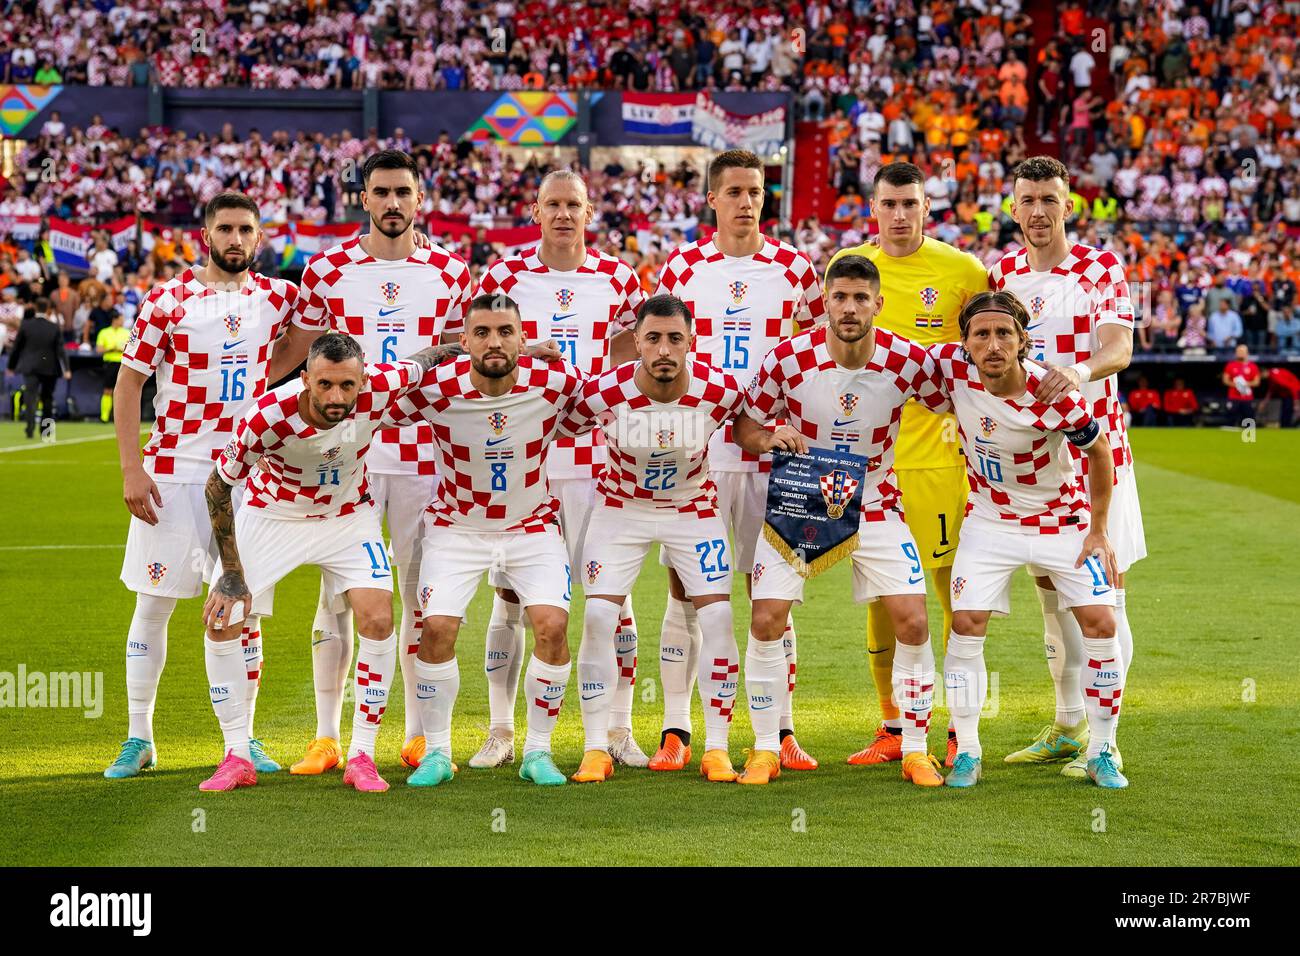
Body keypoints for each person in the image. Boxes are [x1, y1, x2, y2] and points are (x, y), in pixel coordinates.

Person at [102, 191, 320, 781]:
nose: (235, 239)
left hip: (247, 476)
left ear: (259, 237)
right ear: (205, 234)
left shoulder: (277, 296)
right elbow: (129, 386)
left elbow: (302, 346)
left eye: (246, 230)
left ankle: (243, 742)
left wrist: (259, 379)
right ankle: (138, 736)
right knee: (154, 605)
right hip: (172, 474)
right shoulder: (167, 298)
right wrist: (130, 467)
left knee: (242, 611)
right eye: (225, 228)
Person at [199, 333, 459, 793]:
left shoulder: (381, 386)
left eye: (347, 385)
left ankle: (361, 754)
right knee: (223, 619)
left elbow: (427, 357)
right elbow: (218, 487)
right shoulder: (267, 417)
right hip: (274, 514)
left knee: (379, 618)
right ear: (304, 379)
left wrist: (507, 348)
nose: (336, 397)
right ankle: (236, 753)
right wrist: (233, 575)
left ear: (362, 379)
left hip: (347, 516)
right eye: (324, 385)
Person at [735, 256, 949, 786]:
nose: (849, 308)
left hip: (875, 497)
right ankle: (766, 748)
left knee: (914, 620)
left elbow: (957, 396)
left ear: (879, 303)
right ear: (824, 302)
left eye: (860, 298)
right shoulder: (787, 358)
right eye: (839, 297)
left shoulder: (907, 360)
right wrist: (768, 438)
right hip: (804, 493)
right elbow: (746, 425)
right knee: (766, 619)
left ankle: (916, 749)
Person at [292, 150, 472, 776]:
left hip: (427, 454)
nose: (392, 203)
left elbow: (464, 358)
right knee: (337, 594)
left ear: (420, 198)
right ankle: (325, 735)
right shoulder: (326, 270)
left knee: (422, 595)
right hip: (348, 457)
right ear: (363, 198)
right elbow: (304, 363)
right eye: (381, 192)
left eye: (403, 192)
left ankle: (419, 733)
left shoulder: (452, 272)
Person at [652, 149, 826, 773]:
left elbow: (815, 354)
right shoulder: (683, 266)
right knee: (686, 588)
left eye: (755, 191)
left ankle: (779, 729)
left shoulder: (796, 269)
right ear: (711, 199)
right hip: (701, 449)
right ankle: (676, 729)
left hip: (777, 454)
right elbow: (659, 353)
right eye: (734, 192)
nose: (747, 201)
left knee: (774, 590)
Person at [473, 169, 648, 770]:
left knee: (613, 598)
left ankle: (619, 730)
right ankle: (501, 731)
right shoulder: (504, 276)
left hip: (600, 460)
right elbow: (482, 352)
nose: (565, 214)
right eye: (554, 204)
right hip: (528, 459)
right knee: (510, 596)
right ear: (535, 210)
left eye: (574, 204)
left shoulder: (619, 279)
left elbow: (630, 357)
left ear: (590, 210)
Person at [383, 294, 587, 788]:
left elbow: (608, 407)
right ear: (463, 341)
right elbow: (378, 399)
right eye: (482, 333)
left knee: (553, 628)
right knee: (435, 630)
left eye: (505, 332)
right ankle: (436, 753)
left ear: (523, 337)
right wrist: (439, 353)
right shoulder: (436, 389)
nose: (494, 341)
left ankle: (538, 752)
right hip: (457, 527)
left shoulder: (557, 385)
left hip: (532, 525)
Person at [928, 291, 1128, 790]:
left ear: (1022, 342)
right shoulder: (952, 370)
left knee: (1101, 623)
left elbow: (1100, 453)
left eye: (1003, 334)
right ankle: (968, 752)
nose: (992, 345)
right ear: (965, 342)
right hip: (991, 521)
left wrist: (1099, 531)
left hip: (1062, 521)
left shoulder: (1053, 392)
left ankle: (1103, 749)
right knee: (967, 621)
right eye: (981, 334)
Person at [826, 161, 990, 768]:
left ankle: (953, 727)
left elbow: (988, 349)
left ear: (927, 209)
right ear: (874, 208)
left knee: (949, 593)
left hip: (939, 461)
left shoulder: (963, 271)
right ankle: (892, 724)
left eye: (910, 205)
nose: (899, 215)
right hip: (861, 464)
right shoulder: (851, 270)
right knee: (878, 596)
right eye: (889, 204)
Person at [992, 155, 1145, 776]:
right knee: (1052, 596)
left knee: (1106, 599)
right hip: (1032, 466)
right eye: (1027, 200)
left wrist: (1078, 372)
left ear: (1067, 206)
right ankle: (1065, 724)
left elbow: (1120, 346)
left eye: (1049, 200)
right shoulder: (1000, 272)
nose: (1037, 211)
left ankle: (1105, 739)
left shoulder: (1098, 267)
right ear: (1013, 208)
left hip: (1094, 454)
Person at [563, 294, 748, 785]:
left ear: (692, 342)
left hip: (693, 509)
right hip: (620, 509)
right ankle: (596, 747)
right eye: (652, 338)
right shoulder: (602, 392)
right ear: (636, 342)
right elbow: (551, 421)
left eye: (674, 339)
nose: (663, 349)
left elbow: (748, 426)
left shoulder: (720, 388)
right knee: (600, 615)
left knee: (719, 616)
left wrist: (772, 436)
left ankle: (717, 748)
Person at [7, 298, 69, 439]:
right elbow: (61, 350)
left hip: (30, 367)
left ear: (35, 308)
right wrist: (67, 369)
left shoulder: (26, 325)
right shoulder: (53, 327)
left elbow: (17, 348)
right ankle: (46, 431)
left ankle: (29, 429)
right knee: (47, 399)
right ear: (48, 309)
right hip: (49, 367)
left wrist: (11, 366)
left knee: (30, 397)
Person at [95, 311, 132, 422]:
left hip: (123, 364)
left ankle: (121, 417)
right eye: (121, 319)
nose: (122, 321)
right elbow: (99, 349)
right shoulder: (104, 332)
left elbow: (132, 347)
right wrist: (111, 349)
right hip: (110, 363)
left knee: (123, 391)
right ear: (115, 320)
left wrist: (122, 349)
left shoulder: (127, 332)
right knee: (107, 390)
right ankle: (104, 417)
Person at [1222, 343, 1260, 427]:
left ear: (1247, 353)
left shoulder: (1253, 366)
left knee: (1249, 421)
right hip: (1233, 397)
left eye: (1242, 351)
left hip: (1247, 397)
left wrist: (1246, 384)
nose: (1240, 353)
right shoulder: (1230, 365)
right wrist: (1236, 385)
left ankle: (1249, 438)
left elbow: (1256, 382)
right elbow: (1225, 380)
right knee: (1230, 420)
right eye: (1238, 351)